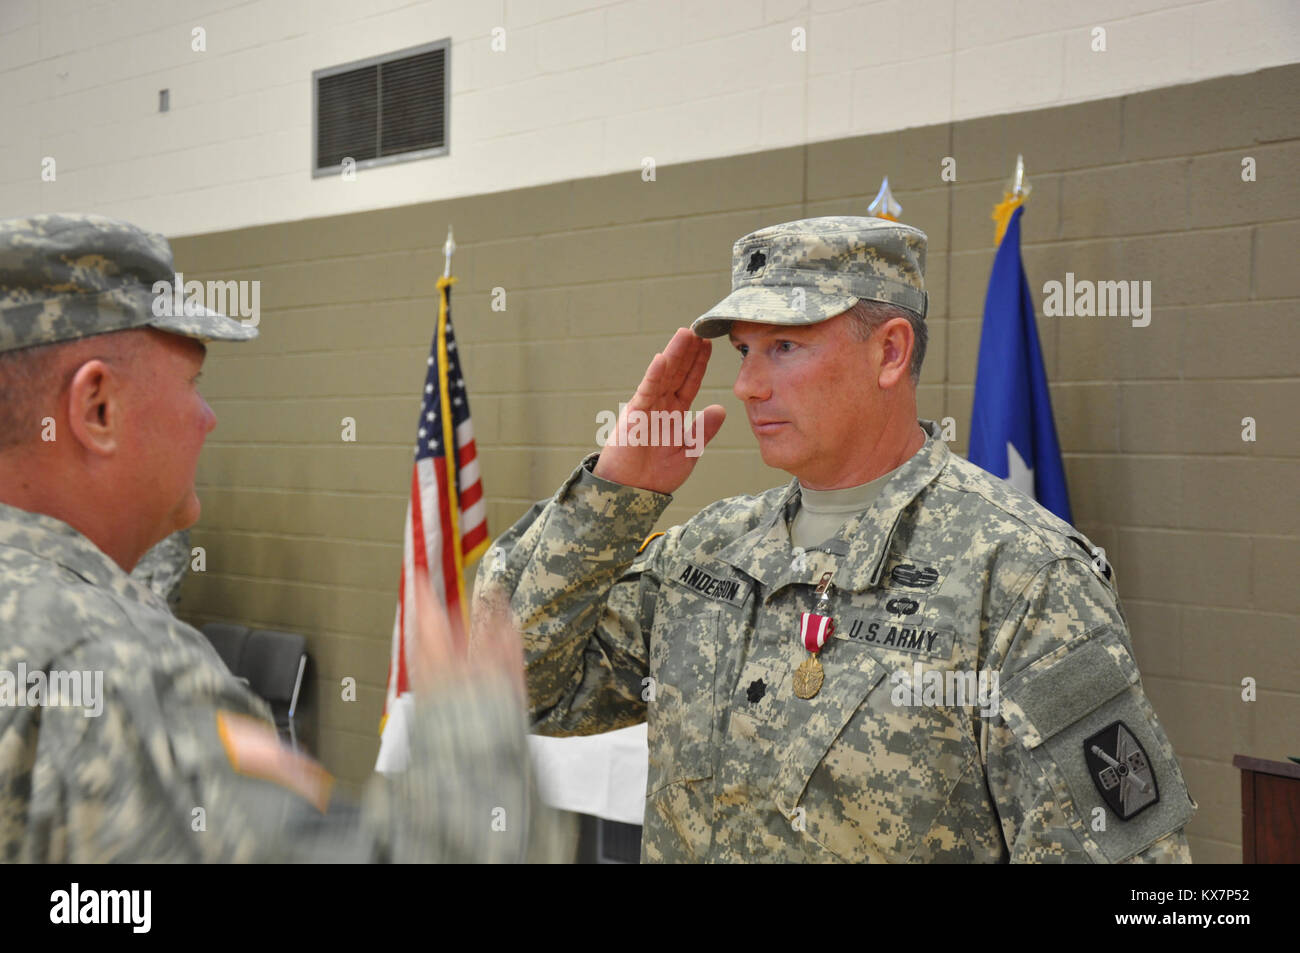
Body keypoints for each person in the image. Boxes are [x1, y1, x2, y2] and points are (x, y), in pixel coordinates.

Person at [476, 215, 1197, 863]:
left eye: (784, 346)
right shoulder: (704, 555)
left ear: (890, 352)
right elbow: (517, 686)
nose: (750, 385)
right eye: (744, 351)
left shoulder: (1020, 578)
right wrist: (613, 493)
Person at [0, 213, 556, 862]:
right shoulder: (118, 668)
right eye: (192, 382)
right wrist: (479, 736)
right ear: (97, 408)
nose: (207, 418)